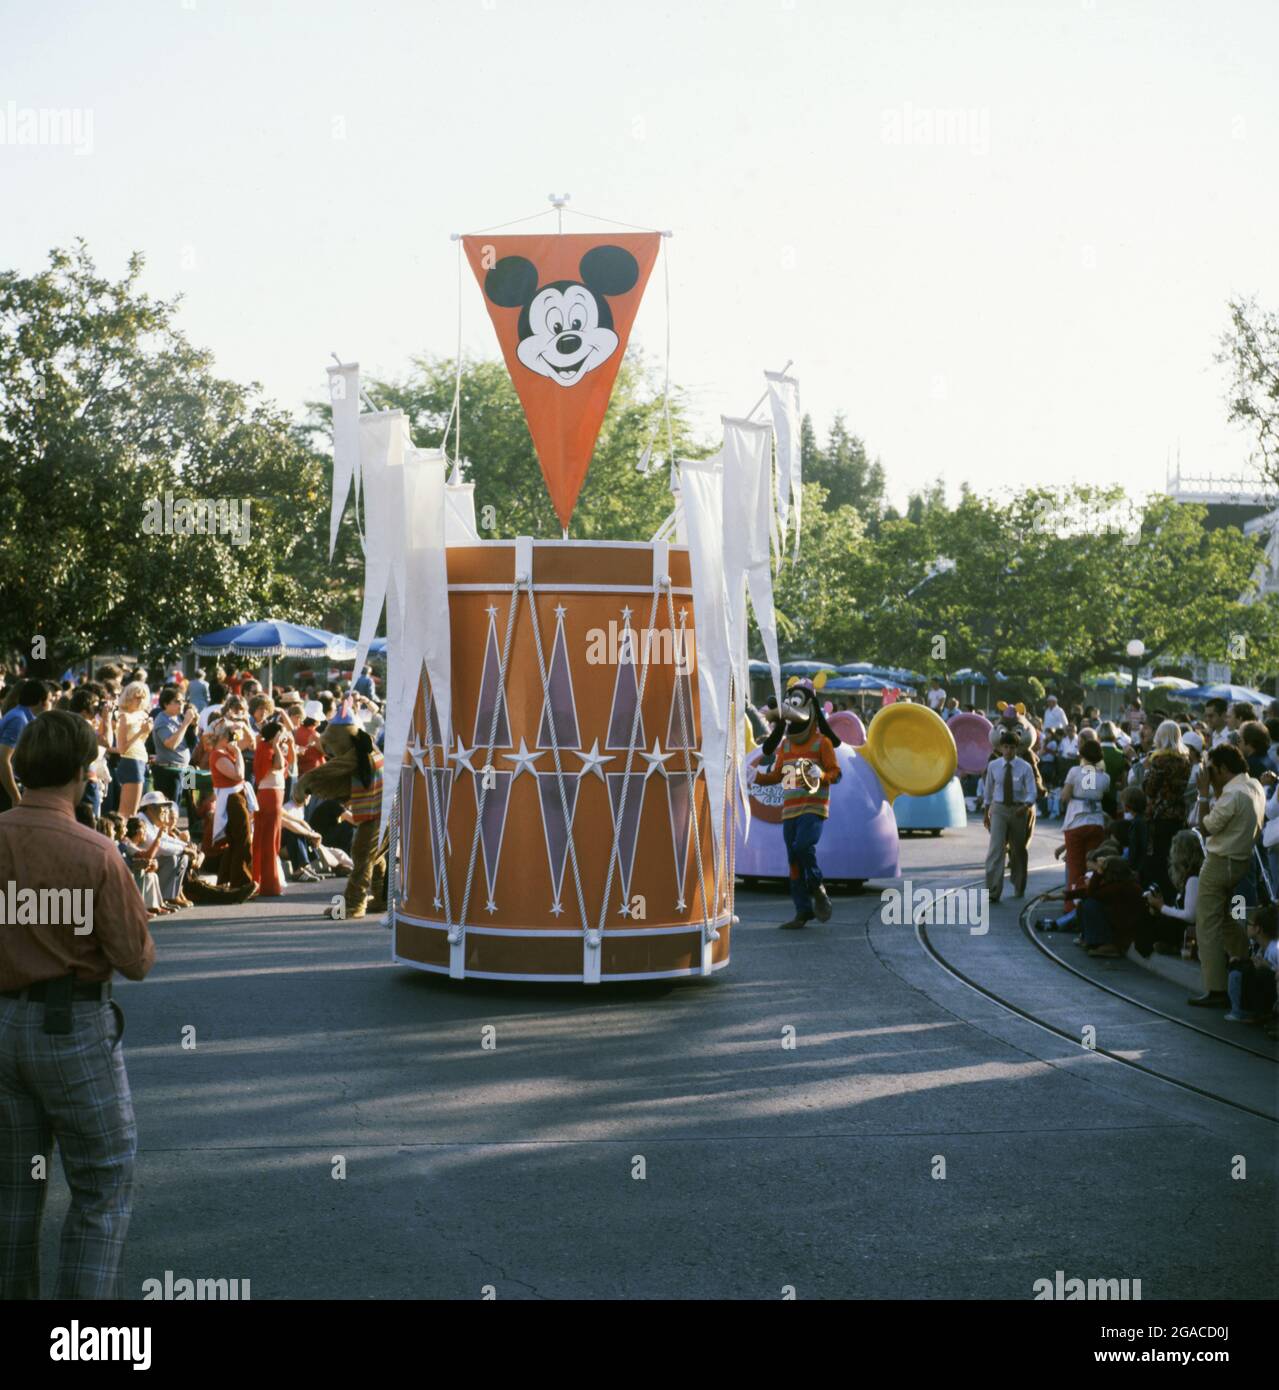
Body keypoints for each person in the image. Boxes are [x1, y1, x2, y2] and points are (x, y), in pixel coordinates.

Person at [0, 709, 156, 1298]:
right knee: (101, 1184)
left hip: (2, 1023)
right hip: (71, 1027)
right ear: (77, 772)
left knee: (12, 1194)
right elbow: (136, 960)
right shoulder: (94, 853)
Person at [748, 681, 842, 929]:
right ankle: (802, 911)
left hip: (813, 808)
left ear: (810, 709)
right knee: (793, 859)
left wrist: (821, 776)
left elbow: (836, 773)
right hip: (789, 811)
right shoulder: (786, 746)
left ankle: (817, 886)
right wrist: (754, 776)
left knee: (803, 846)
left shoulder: (822, 743)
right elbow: (778, 776)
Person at [1190, 744, 1265, 1007]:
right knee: (1227, 917)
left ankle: (1216, 988)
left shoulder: (1232, 796)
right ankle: (1242, 960)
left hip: (1221, 862)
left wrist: (1202, 795)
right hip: (1242, 861)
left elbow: (1204, 826)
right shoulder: (1254, 785)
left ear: (1222, 769)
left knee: (1206, 922)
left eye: (1212, 770)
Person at [1054, 738, 1109, 923]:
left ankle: (1072, 907)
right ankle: (1090, 906)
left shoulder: (1075, 772)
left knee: (1075, 867)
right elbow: (1096, 789)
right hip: (1097, 823)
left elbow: (1065, 796)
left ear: (1081, 754)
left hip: (1076, 822)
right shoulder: (1104, 776)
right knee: (1091, 868)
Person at [983, 729, 1036, 902]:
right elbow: (988, 790)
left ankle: (1019, 885)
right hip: (999, 809)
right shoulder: (994, 766)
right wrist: (986, 812)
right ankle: (993, 890)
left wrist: (1026, 805)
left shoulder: (1025, 767)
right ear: (1000, 748)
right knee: (996, 849)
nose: (1008, 751)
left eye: (1012, 748)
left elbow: (1032, 791)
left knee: (1018, 850)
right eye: (1005, 747)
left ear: (1017, 749)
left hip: (1019, 810)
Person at [1140, 720, 1190, 897]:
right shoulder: (1185, 760)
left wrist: (1146, 770)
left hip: (1159, 814)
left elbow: (1149, 788)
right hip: (1178, 813)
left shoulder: (1158, 760)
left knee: (1158, 858)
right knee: (1173, 857)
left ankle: (1158, 897)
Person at [209, 720, 258, 893]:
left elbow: (251, 741)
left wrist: (244, 723)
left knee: (236, 840)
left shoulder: (227, 751)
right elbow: (238, 774)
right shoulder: (217, 754)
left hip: (238, 796)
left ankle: (225, 880)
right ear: (224, 736)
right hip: (231, 798)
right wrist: (237, 751)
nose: (236, 738)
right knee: (242, 840)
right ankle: (241, 881)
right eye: (232, 734)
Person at [1145, 828, 1203, 955]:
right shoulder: (1189, 877)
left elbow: (1190, 916)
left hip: (1185, 930)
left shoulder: (1193, 879)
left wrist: (1162, 907)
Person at [0, 679, 55, 813]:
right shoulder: (19, 719)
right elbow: (2, 759)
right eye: (50, 700)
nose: (52, 704)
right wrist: (15, 796)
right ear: (40, 702)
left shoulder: (23, 716)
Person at [1224, 903, 1278, 1023]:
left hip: (1272, 992)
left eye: (1248, 923)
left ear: (1258, 928)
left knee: (1243, 972)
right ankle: (1244, 1011)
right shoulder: (1260, 947)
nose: (1246, 926)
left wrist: (1267, 966)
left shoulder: (1275, 949)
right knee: (1238, 965)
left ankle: (1243, 1012)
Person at [252, 719, 287, 896]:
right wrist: (277, 745)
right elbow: (278, 765)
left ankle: (263, 881)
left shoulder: (269, 747)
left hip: (275, 794)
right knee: (268, 839)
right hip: (269, 795)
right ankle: (269, 884)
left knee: (272, 839)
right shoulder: (266, 748)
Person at [151, 686, 198, 807]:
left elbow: (192, 743)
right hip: (170, 771)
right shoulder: (162, 720)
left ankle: (191, 825)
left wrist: (193, 725)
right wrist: (186, 723)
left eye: (183, 701)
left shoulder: (179, 717)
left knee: (190, 802)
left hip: (187, 769)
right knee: (171, 805)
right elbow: (171, 744)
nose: (181, 704)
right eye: (177, 701)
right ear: (166, 704)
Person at [113, 681, 153, 821]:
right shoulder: (124, 717)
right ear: (129, 697)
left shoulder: (141, 714)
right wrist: (141, 731)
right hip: (131, 761)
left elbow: (140, 742)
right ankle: (119, 839)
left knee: (133, 811)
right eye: (137, 697)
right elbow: (122, 748)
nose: (140, 700)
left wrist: (146, 732)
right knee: (128, 812)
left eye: (142, 697)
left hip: (141, 760)